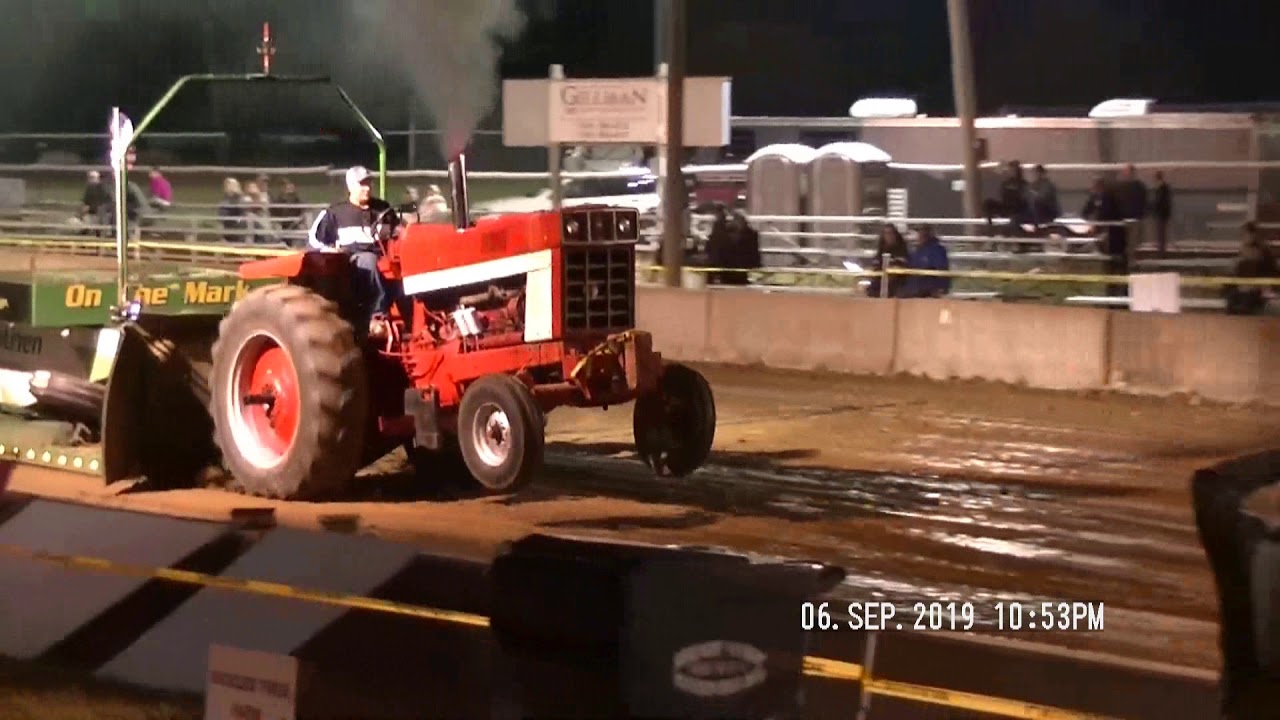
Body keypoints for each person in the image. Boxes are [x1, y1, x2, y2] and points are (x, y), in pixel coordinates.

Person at [308, 165, 398, 336]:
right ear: (350, 186)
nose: (367, 188)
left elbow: (397, 232)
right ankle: (377, 315)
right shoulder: (335, 213)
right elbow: (314, 239)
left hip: (384, 257)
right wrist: (330, 250)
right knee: (368, 261)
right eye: (362, 184)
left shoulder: (383, 209)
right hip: (353, 262)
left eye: (369, 183)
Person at [1223, 222, 1279, 316]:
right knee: (1232, 302)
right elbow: (1235, 273)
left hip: (1256, 289)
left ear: (1253, 235)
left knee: (1245, 305)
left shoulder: (1263, 252)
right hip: (1242, 288)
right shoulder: (1242, 252)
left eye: (1246, 234)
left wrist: (1263, 286)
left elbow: (1271, 272)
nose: (1244, 237)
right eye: (1243, 235)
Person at [902, 224, 951, 298]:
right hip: (914, 291)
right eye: (919, 232)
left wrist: (941, 288)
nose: (921, 235)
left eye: (923, 231)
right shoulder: (915, 251)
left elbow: (941, 269)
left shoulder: (937, 250)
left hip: (929, 291)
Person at [866, 224, 909, 298]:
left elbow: (899, 268)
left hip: (896, 283)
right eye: (885, 233)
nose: (888, 236)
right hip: (879, 281)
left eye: (890, 233)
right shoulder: (881, 249)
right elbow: (875, 265)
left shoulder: (901, 250)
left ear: (895, 235)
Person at [1152, 171, 1173, 256]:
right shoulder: (1164, 188)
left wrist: (1154, 208)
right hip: (1163, 213)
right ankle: (1161, 250)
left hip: (1161, 214)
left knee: (1161, 233)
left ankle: (1161, 251)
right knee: (1161, 233)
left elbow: (1159, 201)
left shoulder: (1162, 188)